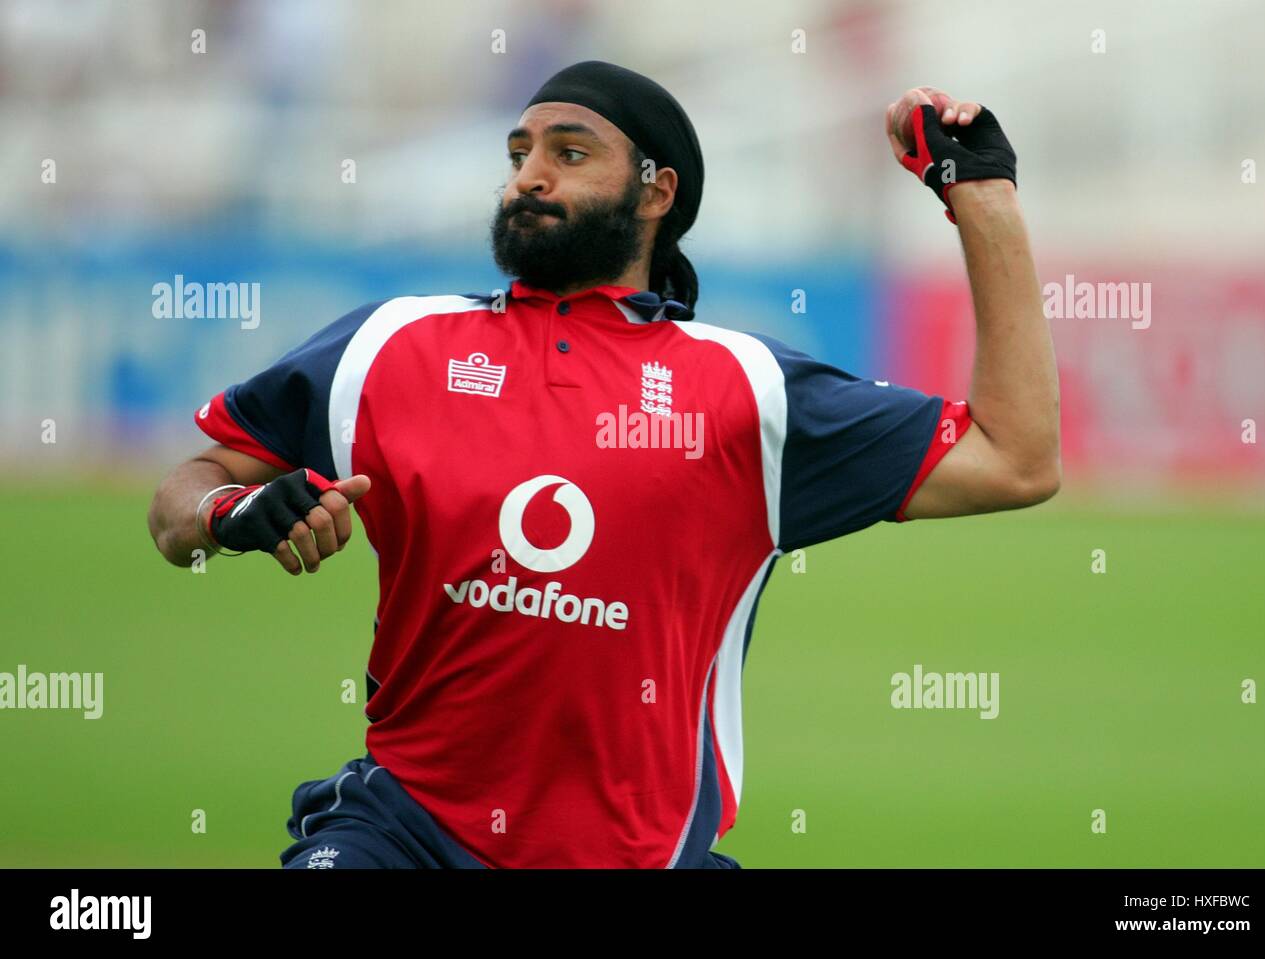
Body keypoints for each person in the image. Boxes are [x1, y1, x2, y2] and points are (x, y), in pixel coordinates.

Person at [146, 61, 1059, 869]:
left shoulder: (749, 390)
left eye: (571, 152)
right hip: (403, 831)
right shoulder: (389, 345)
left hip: (641, 853)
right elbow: (181, 497)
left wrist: (980, 196)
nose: (530, 175)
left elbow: (1015, 457)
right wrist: (227, 514)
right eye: (519, 153)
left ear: (656, 193)